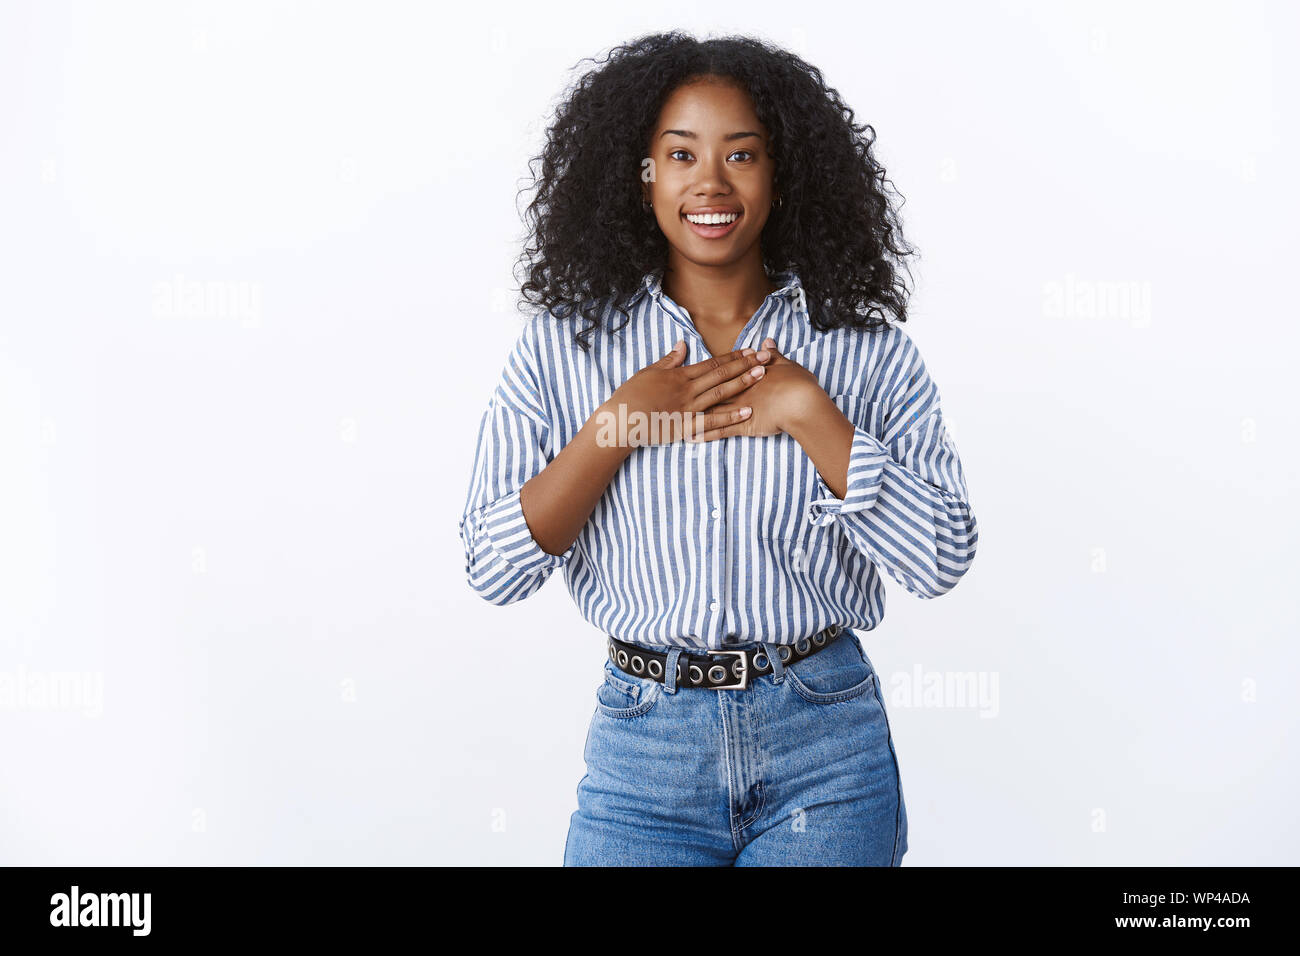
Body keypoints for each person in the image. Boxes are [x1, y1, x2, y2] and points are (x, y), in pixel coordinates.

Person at [458, 31, 978, 865]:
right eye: (681, 154)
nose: (710, 182)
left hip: (826, 749)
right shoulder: (569, 347)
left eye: (742, 154)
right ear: (644, 173)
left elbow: (942, 558)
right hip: (643, 759)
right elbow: (492, 566)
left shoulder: (864, 349)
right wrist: (618, 424)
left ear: (780, 174)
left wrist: (815, 415)